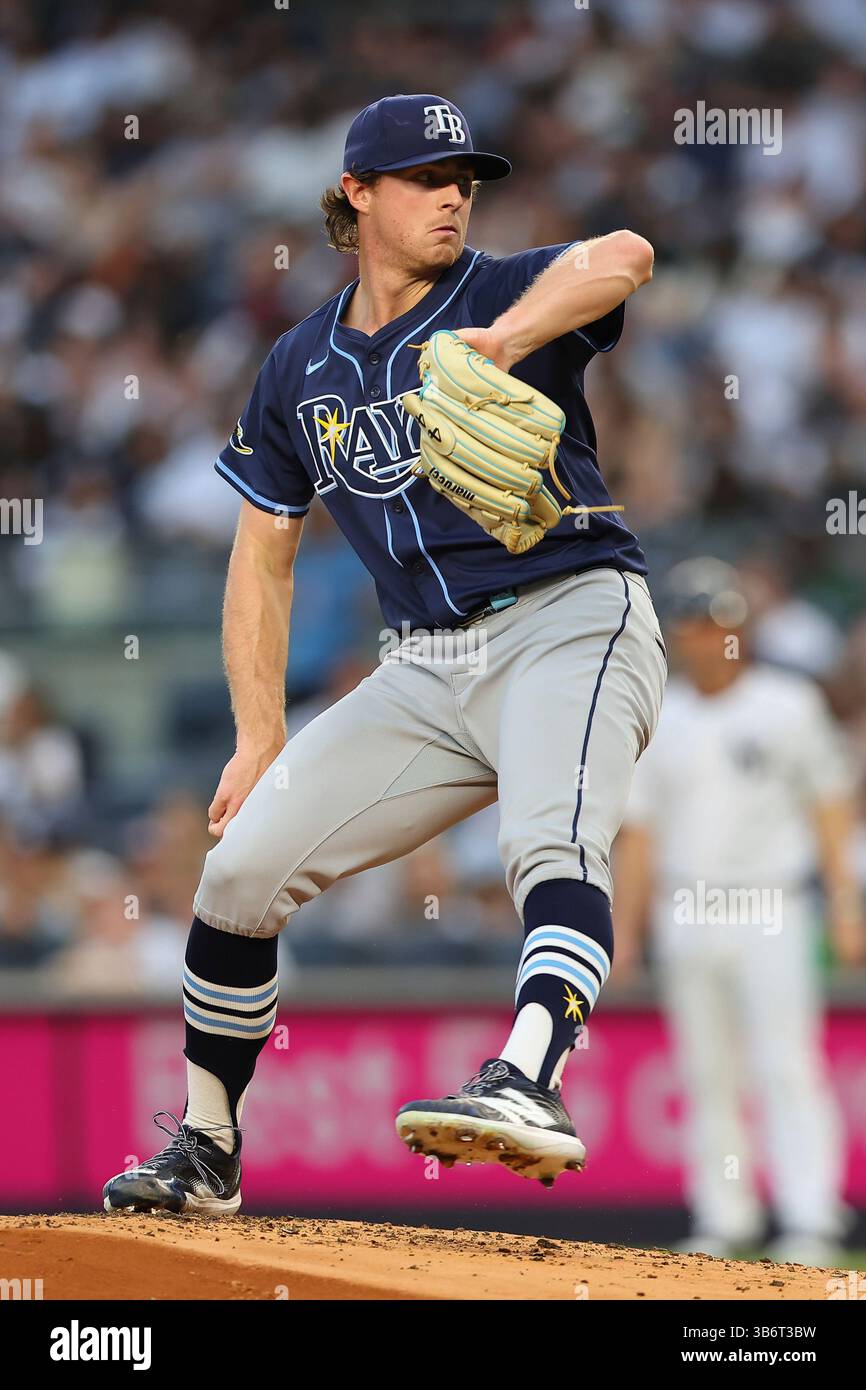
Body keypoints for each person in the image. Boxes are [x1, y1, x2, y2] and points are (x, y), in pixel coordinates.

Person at [103, 93, 664, 1215]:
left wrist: (504, 344)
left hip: (571, 613)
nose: (454, 192)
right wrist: (258, 730)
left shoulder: (500, 292)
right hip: (421, 667)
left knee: (548, 839)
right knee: (237, 874)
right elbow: (262, 550)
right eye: (423, 175)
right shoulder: (297, 365)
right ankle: (207, 1150)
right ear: (356, 194)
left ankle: (531, 1076)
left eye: (464, 175)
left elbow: (626, 254)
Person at [614, 558, 866, 1266]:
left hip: (771, 903)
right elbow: (639, 833)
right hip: (685, 906)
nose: (706, 638)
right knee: (706, 1070)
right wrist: (626, 935)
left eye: (717, 623)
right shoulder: (660, 714)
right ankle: (725, 1215)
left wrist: (846, 907)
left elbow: (829, 808)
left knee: (786, 1063)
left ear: (739, 629)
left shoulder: (786, 704)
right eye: (694, 625)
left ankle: (810, 1215)